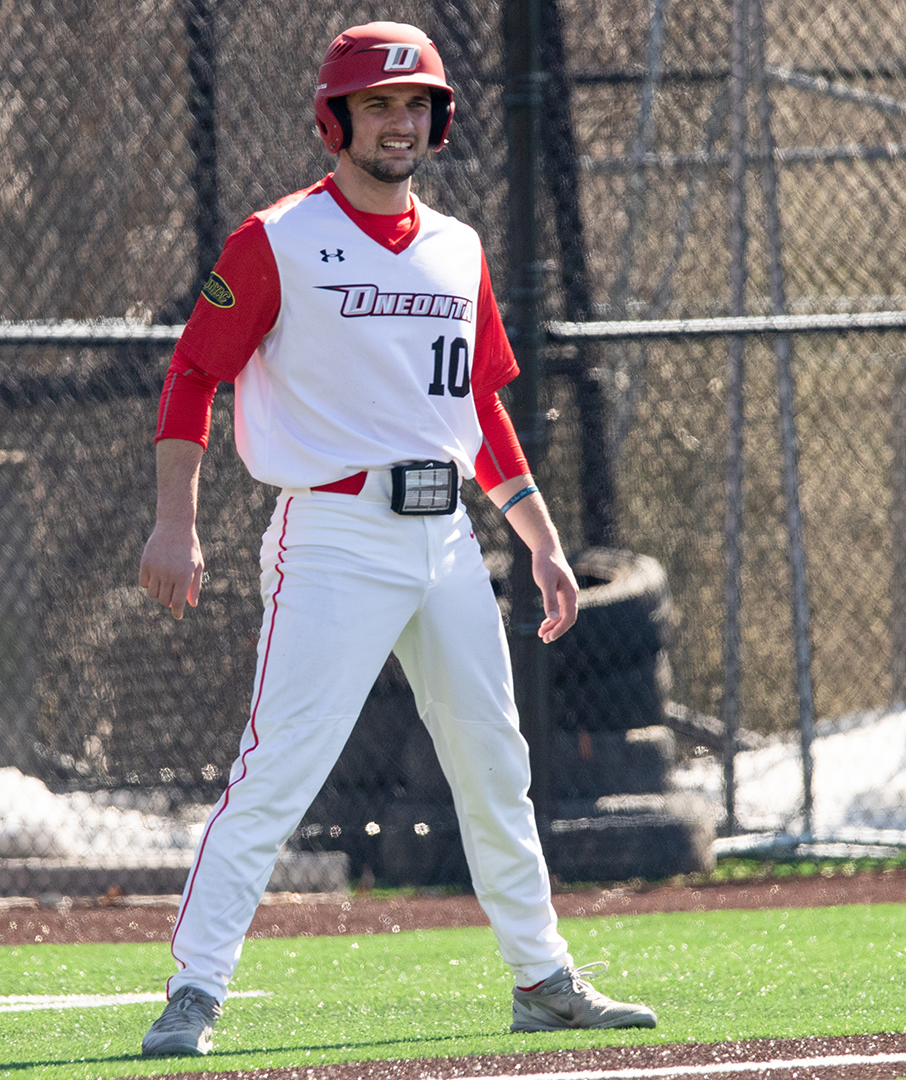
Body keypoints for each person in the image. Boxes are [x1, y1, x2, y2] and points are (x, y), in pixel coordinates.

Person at [135, 21, 657, 1058]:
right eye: (377, 104)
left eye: (417, 103)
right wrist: (174, 520)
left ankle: (542, 978)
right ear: (335, 121)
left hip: (448, 538)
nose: (400, 121)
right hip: (331, 535)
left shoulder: (457, 247)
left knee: (495, 762)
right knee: (277, 771)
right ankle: (193, 992)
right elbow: (193, 374)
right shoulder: (277, 238)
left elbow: (480, 410)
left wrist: (541, 540)